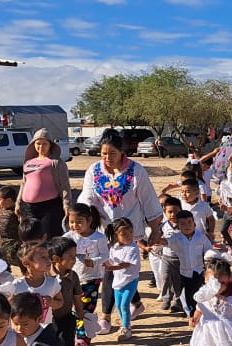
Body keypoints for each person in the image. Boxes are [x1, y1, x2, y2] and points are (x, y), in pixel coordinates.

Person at [77, 128, 165, 257]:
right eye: (104, 153)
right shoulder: (94, 170)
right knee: (105, 267)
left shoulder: (136, 170)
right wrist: (83, 214)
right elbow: (87, 195)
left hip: (128, 231)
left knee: (126, 270)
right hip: (103, 229)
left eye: (112, 153)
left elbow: (149, 200)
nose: (108, 157)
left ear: (121, 151)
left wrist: (155, 230)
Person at [64, 203, 110, 346]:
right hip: (71, 278)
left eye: (79, 222)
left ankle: (83, 339)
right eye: (71, 222)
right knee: (72, 308)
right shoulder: (69, 237)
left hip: (92, 278)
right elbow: (59, 247)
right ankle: (74, 335)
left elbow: (105, 255)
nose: (75, 225)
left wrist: (95, 261)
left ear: (89, 220)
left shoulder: (99, 238)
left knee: (85, 308)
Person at [15, 129, 72, 240]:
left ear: (50, 145)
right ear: (33, 144)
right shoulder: (29, 162)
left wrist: (67, 204)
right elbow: (23, 183)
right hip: (28, 207)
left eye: (45, 143)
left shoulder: (56, 162)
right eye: (38, 143)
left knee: (49, 238)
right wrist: (18, 203)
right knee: (30, 238)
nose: (41, 146)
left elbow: (65, 185)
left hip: (49, 207)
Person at [102, 218, 142, 340]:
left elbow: (125, 264)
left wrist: (111, 267)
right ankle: (124, 325)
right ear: (116, 235)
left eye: (130, 232)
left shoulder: (133, 248)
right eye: (124, 234)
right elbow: (111, 259)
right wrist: (102, 263)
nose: (129, 236)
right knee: (119, 305)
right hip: (118, 282)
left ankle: (126, 328)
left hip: (130, 281)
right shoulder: (114, 247)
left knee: (124, 305)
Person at [168, 209, 213, 316]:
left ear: (194, 223)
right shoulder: (176, 237)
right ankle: (189, 308)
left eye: (189, 222)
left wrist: (209, 267)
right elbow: (165, 241)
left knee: (195, 293)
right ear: (178, 226)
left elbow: (209, 251)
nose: (187, 226)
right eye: (182, 224)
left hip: (198, 271)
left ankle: (195, 313)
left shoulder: (201, 237)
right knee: (185, 293)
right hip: (183, 272)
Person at [47, 236, 81, 346]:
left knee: (67, 344)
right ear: (56, 259)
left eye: (75, 256)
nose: (74, 260)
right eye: (71, 257)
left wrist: (81, 313)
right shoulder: (45, 277)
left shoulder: (73, 276)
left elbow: (77, 296)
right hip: (49, 320)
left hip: (67, 317)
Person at [149, 197, 184, 313]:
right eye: (170, 212)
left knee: (178, 281)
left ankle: (178, 300)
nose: (173, 214)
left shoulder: (184, 225)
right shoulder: (162, 226)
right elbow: (155, 238)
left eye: (176, 211)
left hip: (180, 259)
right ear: (164, 213)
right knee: (164, 277)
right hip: (166, 257)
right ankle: (166, 298)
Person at [0, 185, 21, 264]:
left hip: (14, 242)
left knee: (19, 261)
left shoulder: (16, 211)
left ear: (8, 200)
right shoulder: (1, 209)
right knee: (2, 262)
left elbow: (22, 224)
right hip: (1, 241)